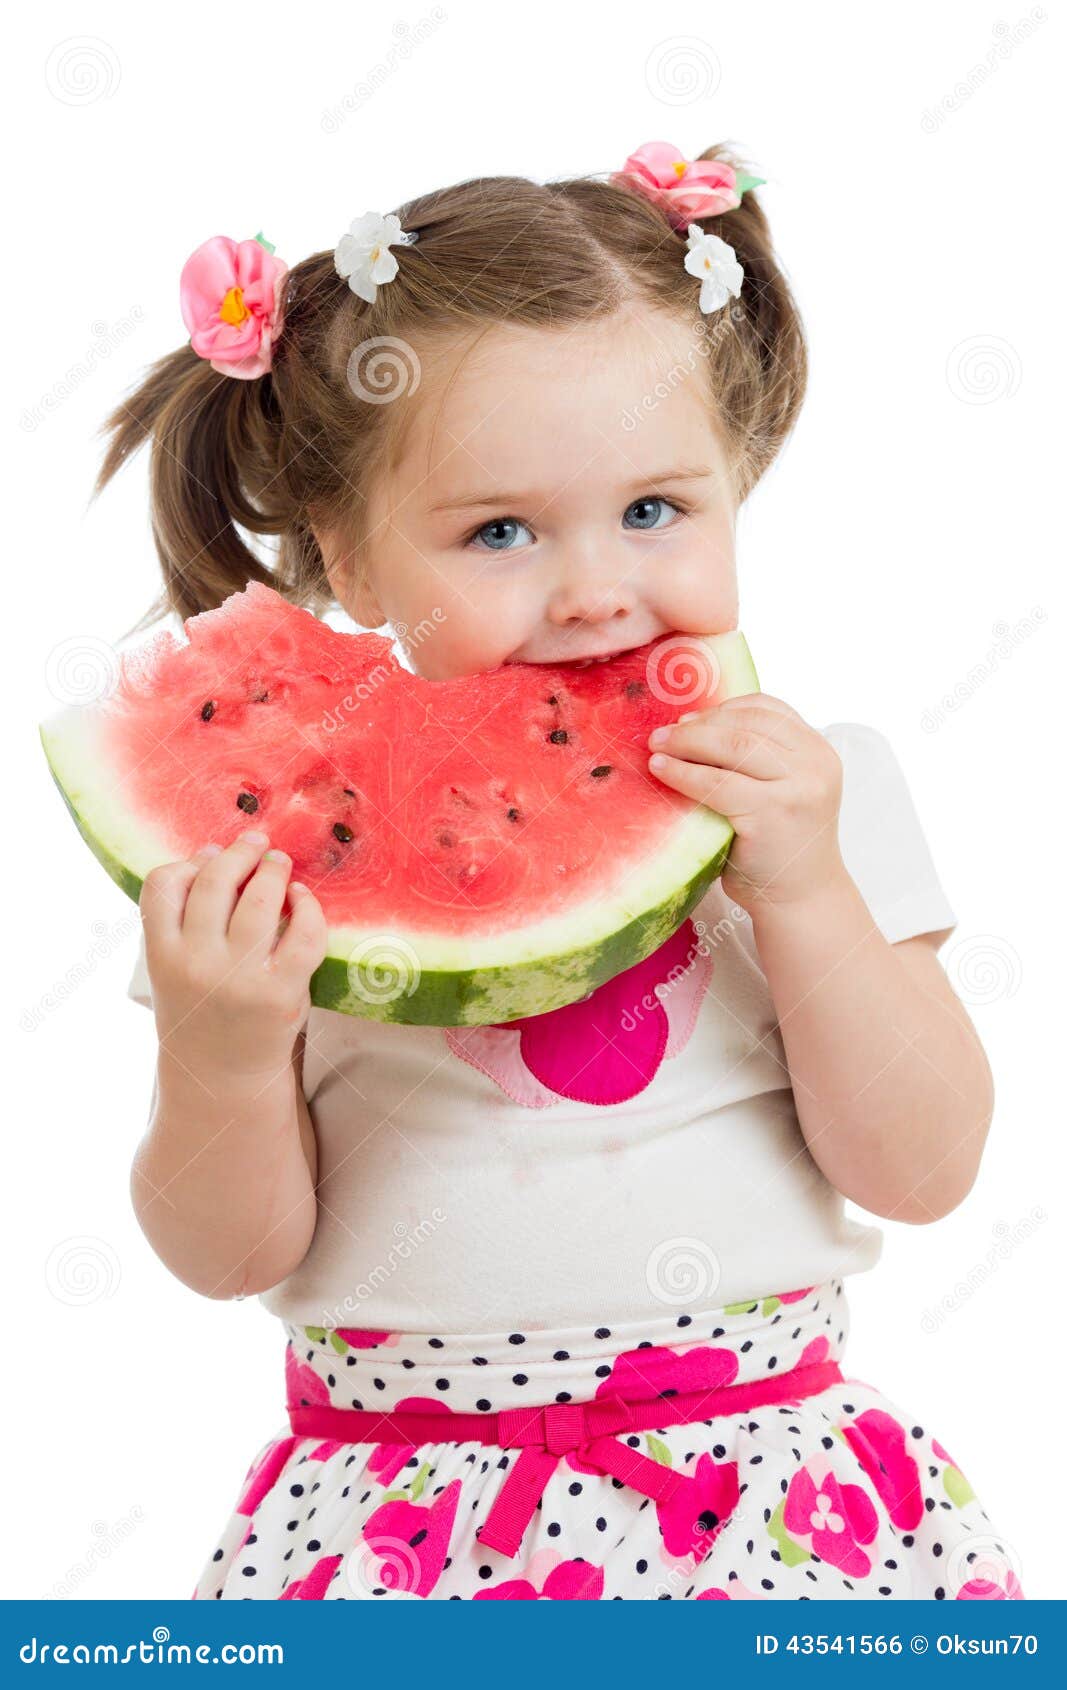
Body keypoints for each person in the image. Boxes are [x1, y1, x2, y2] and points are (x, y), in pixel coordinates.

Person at [101, 142, 1023, 1600]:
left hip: (766, 1497)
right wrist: (223, 1047)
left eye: (655, 510)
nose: (595, 586)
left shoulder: (815, 792)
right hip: (400, 1524)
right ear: (345, 557)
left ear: (739, 486)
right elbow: (229, 1253)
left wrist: (807, 893)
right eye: (501, 531)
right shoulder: (277, 869)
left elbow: (923, 1169)